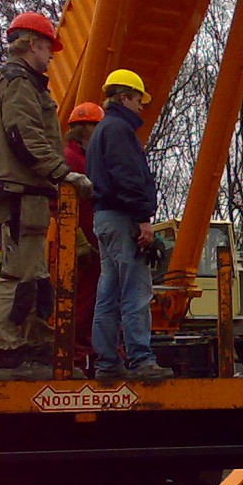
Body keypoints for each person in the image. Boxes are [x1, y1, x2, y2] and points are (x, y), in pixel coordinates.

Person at [0, 12, 94, 380]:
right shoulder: (18, 82)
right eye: (47, 47)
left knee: (35, 276)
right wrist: (63, 175)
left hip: (24, 192)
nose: (51, 56)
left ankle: (35, 350)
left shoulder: (19, 83)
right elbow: (24, 136)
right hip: (18, 192)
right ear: (30, 44)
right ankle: (11, 353)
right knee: (18, 276)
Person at [86, 68, 173, 381]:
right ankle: (140, 360)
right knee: (136, 291)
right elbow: (128, 177)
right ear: (124, 97)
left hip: (104, 218)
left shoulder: (101, 131)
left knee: (107, 295)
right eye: (138, 100)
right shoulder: (121, 131)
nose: (141, 107)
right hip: (123, 219)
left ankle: (107, 363)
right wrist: (142, 219)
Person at [64, 102, 105, 372]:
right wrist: (78, 239)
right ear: (85, 128)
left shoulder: (83, 158)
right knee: (82, 300)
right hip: (82, 242)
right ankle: (75, 355)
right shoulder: (70, 160)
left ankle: (86, 351)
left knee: (94, 300)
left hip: (93, 240)